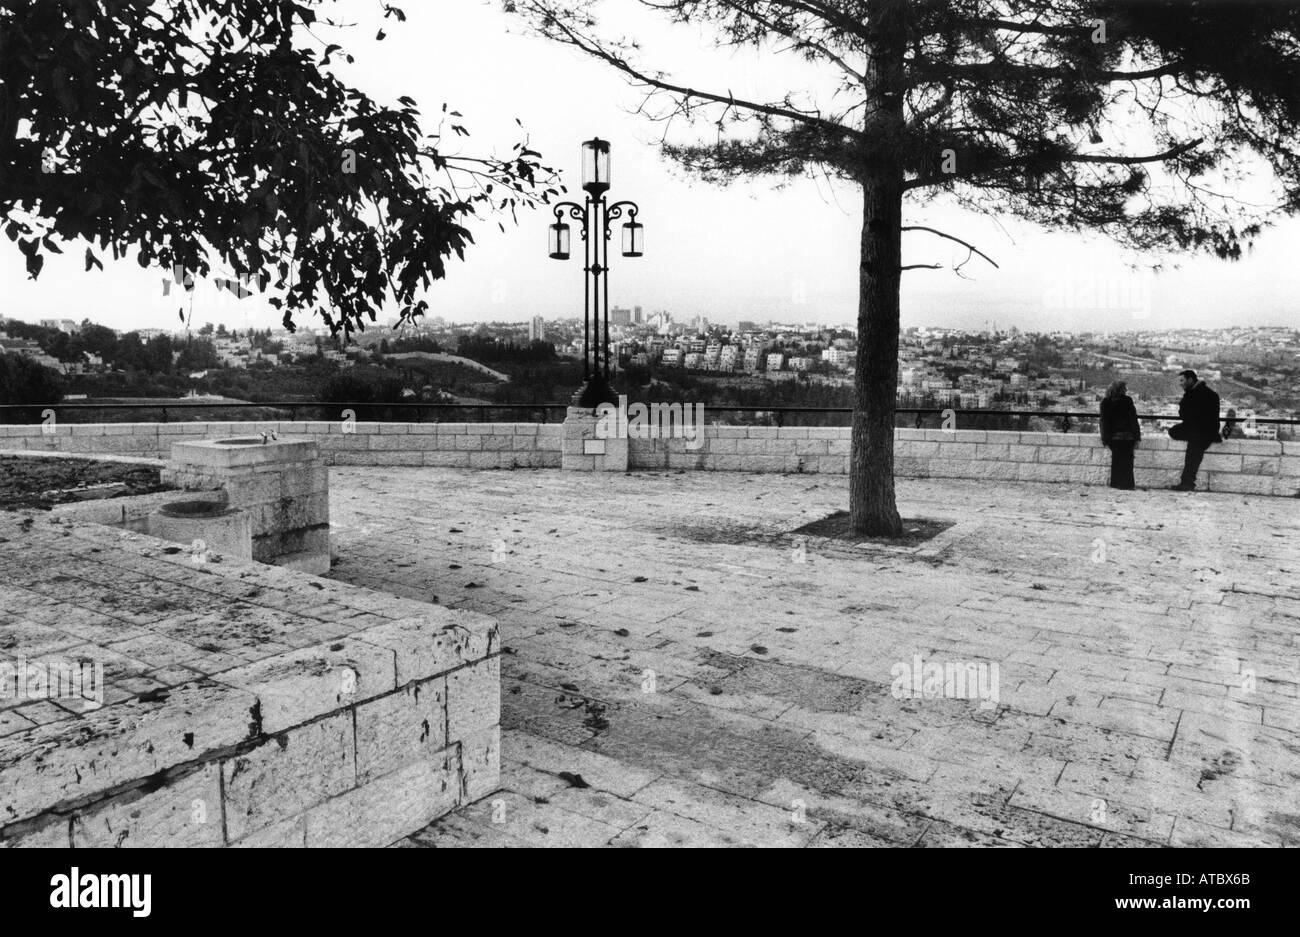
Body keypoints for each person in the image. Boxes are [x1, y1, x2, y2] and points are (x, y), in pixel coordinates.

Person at [1166, 369, 1221, 491]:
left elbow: (1184, 414)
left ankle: (1187, 483)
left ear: (1190, 380)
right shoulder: (1209, 393)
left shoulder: (1192, 394)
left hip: (1199, 432)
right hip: (1207, 430)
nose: (1181, 384)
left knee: (1192, 454)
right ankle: (1187, 482)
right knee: (1191, 451)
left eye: (1182, 380)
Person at [1100, 380, 1141, 489]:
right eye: (1124, 388)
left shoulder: (1105, 402)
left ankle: (1116, 483)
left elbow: (1104, 422)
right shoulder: (1127, 401)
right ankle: (1127, 484)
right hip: (1128, 437)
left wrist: (1105, 439)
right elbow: (1133, 420)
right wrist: (1137, 437)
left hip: (1114, 437)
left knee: (1117, 461)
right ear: (1120, 389)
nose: (1126, 390)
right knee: (1127, 462)